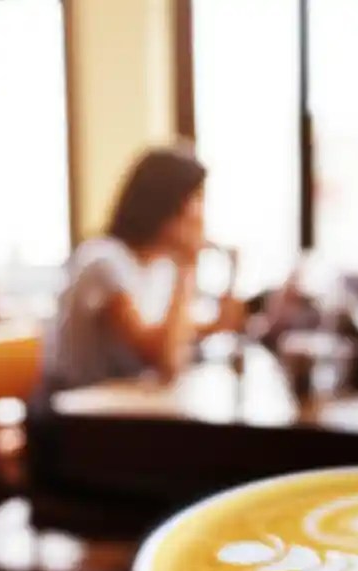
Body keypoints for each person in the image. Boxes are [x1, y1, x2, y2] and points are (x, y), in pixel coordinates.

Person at [40, 145, 244, 397]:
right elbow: (162, 360)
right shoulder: (103, 261)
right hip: (72, 414)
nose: (202, 214)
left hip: (119, 406)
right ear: (169, 205)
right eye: (197, 199)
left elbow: (173, 342)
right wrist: (188, 266)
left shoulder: (162, 267)